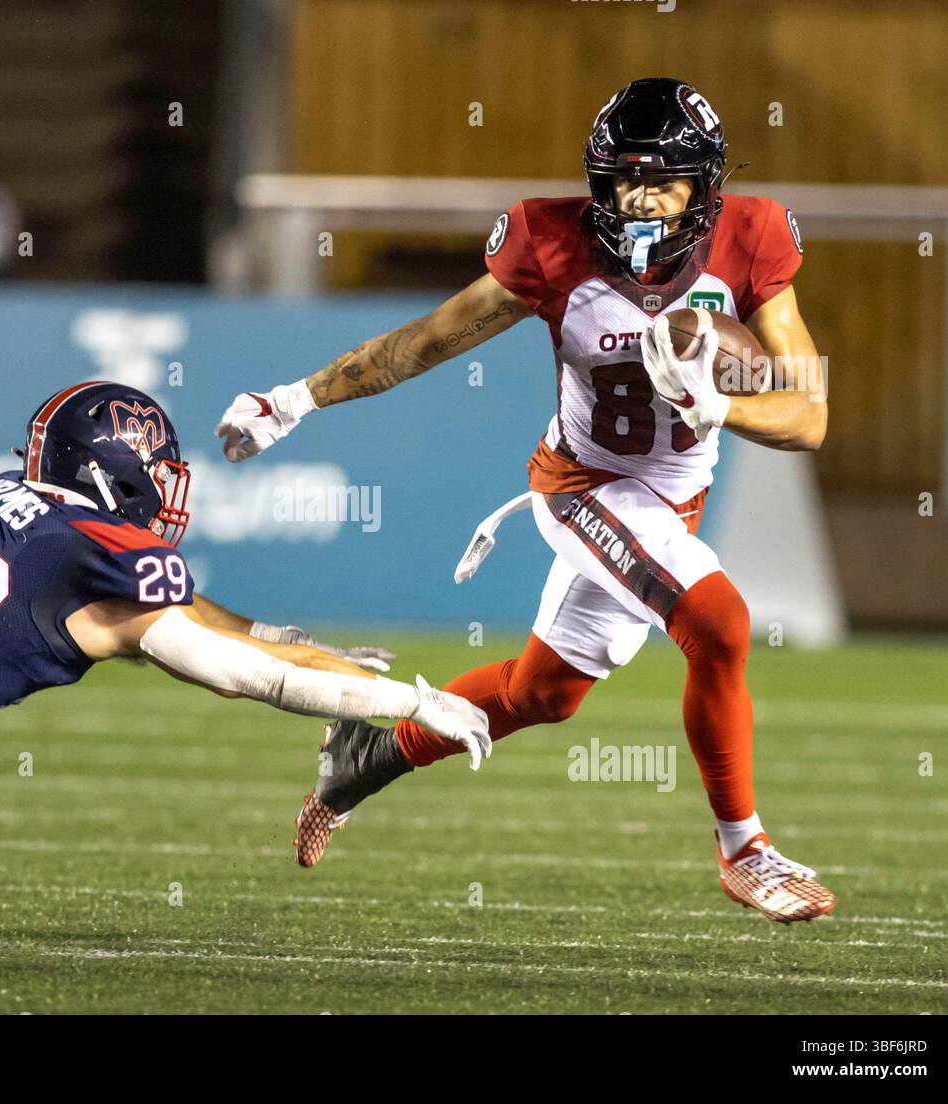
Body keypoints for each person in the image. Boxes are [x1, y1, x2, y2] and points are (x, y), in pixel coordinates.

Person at [214, 78, 834, 923]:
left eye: (665, 182)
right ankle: (745, 851)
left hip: (670, 504)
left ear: (709, 188)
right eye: (625, 180)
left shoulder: (754, 236)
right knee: (720, 624)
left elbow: (809, 415)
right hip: (583, 487)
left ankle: (369, 750)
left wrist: (723, 405)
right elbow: (424, 341)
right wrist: (293, 401)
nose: (643, 200)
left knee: (543, 695)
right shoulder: (550, 241)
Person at [0, 382, 490, 828]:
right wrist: (411, 702)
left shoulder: (7, 495)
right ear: (116, 473)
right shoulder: (103, 578)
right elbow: (253, 679)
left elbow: (188, 614)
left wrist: (270, 632)